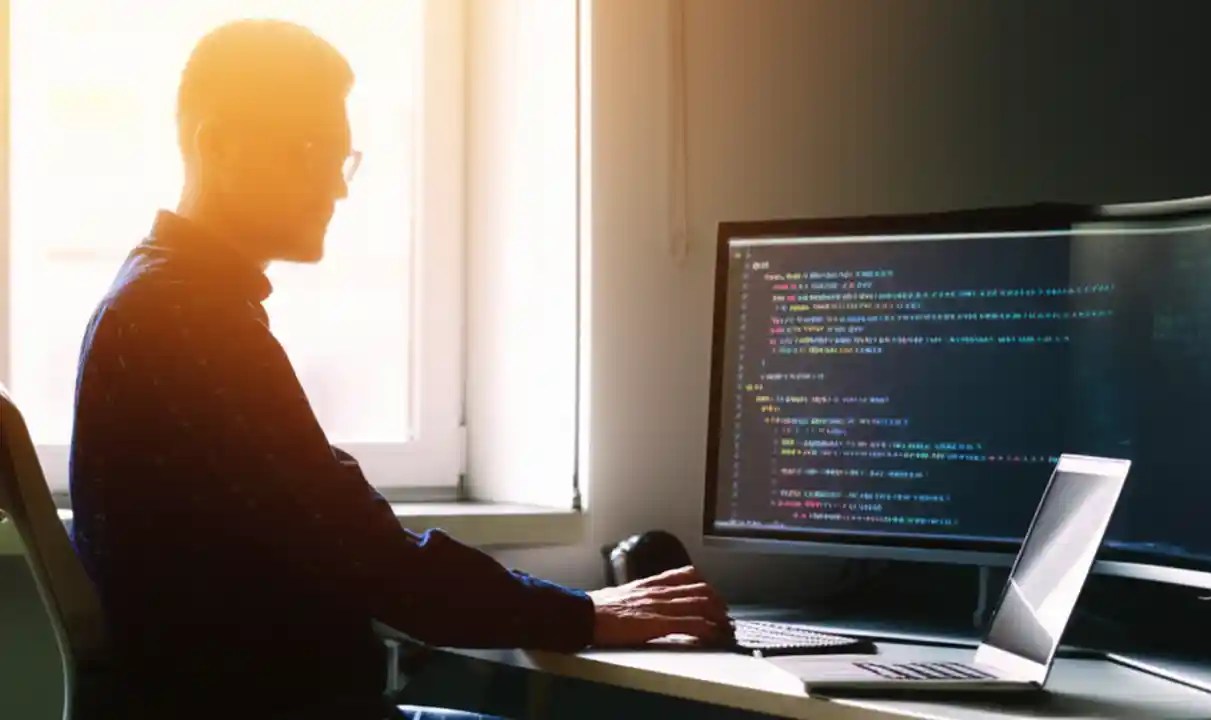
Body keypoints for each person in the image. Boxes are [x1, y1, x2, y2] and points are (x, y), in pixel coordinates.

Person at [67, 18, 730, 720]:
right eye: (312, 150)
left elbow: (332, 527)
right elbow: (365, 553)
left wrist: (571, 610)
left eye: (343, 157)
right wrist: (583, 615)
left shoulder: (165, 300)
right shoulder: (186, 320)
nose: (338, 188)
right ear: (218, 145)